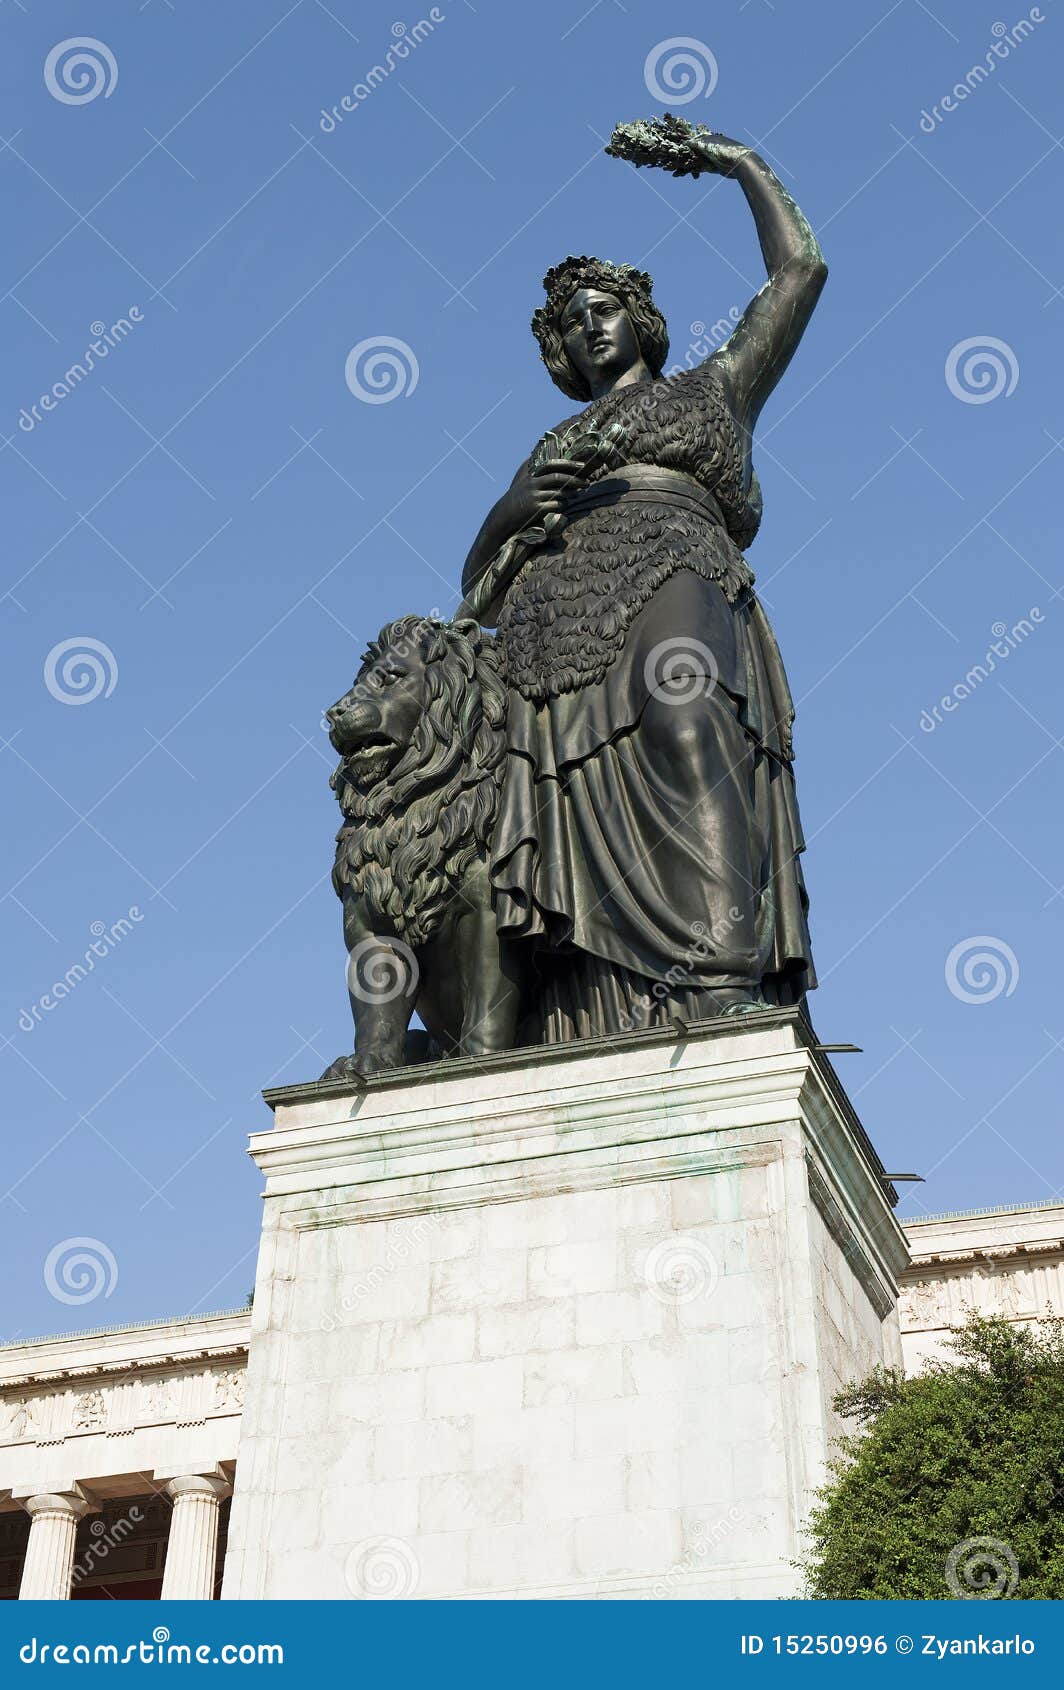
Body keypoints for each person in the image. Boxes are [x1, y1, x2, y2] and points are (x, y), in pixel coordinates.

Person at [461, 119, 827, 1043]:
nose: (590, 325)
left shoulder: (714, 390)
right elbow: (478, 590)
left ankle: (723, 975)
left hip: (675, 559)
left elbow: (801, 274)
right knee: (538, 796)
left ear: (642, 318)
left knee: (687, 717)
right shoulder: (550, 447)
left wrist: (733, 160)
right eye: (573, 322)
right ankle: (578, 1002)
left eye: (604, 307)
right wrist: (506, 512)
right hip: (555, 618)